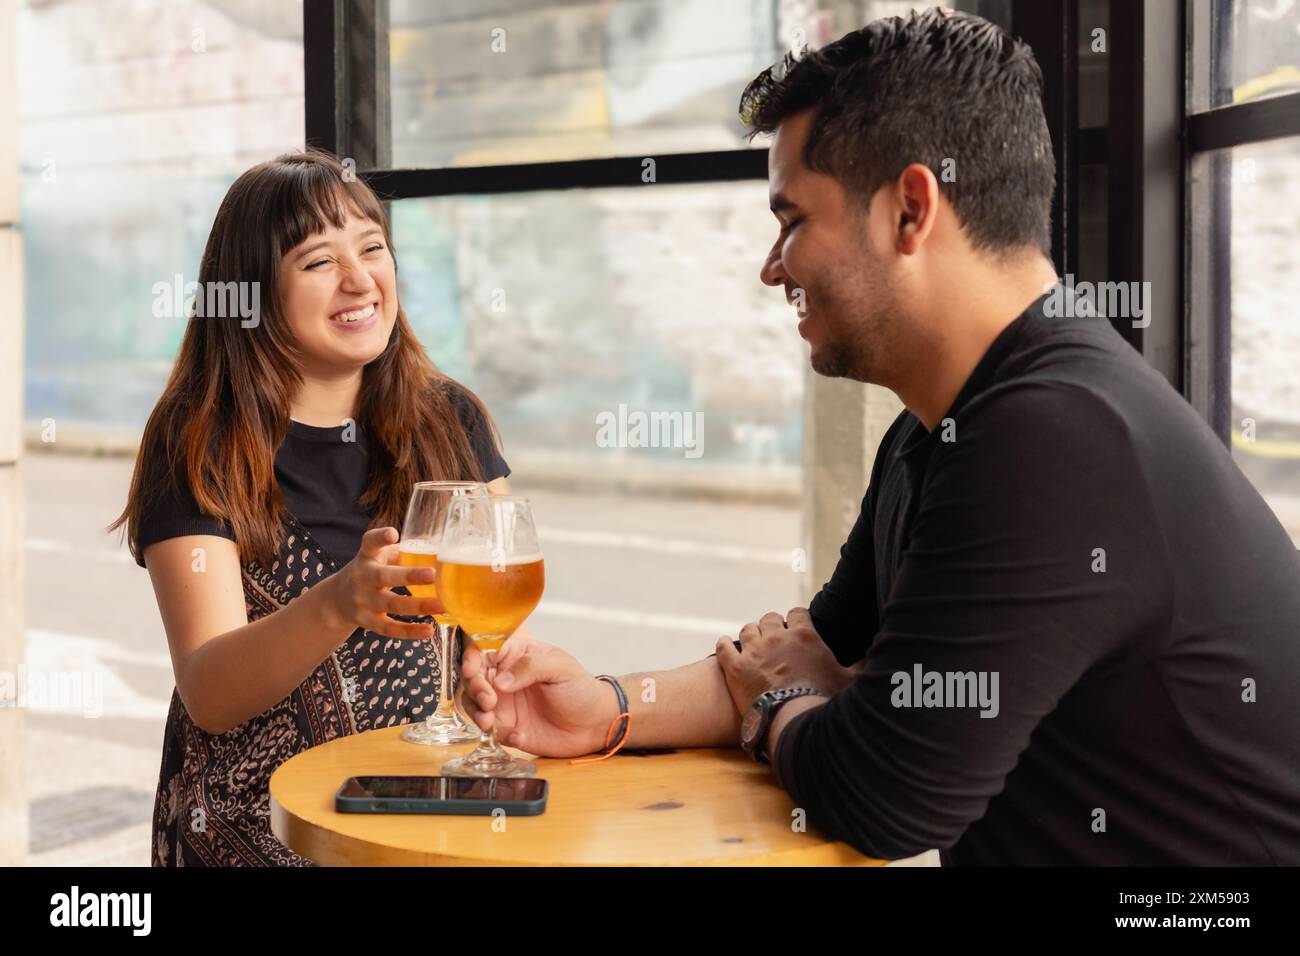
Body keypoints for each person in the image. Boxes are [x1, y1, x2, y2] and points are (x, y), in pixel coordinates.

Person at [457, 9, 1300, 865]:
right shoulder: (943, 427)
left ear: (909, 208)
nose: (771, 264)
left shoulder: (1056, 436)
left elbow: (881, 794)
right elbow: (810, 652)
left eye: (792, 220)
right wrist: (605, 707)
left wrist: (788, 703)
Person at [111, 149, 516, 866]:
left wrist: (487, 670)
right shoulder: (198, 441)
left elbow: (498, 607)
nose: (360, 280)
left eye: (372, 248)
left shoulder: (452, 420)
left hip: (418, 819)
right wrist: (338, 603)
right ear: (254, 292)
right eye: (318, 262)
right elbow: (208, 689)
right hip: (247, 833)